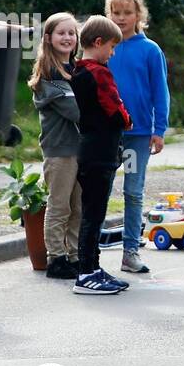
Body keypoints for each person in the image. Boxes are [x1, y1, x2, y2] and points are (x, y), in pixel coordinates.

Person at [105, 0, 170, 276]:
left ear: (138, 15)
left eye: (127, 13)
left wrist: (159, 129)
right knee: (100, 190)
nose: (121, 18)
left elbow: (160, 92)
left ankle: (130, 251)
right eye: (115, 13)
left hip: (138, 133)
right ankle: (88, 250)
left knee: (133, 192)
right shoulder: (104, 46)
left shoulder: (150, 50)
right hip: (107, 132)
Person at [70, 15, 131, 295]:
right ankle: (86, 272)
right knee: (94, 214)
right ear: (98, 43)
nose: (113, 52)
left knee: (92, 212)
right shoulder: (99, 73)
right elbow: (115, 109)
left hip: (89, 150)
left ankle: (92, 267)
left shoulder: (79, 71)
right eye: (111, 46)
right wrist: (128, 119)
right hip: (100, 152)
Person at [30, 12, 83, 280]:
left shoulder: (77, 70)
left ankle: (74, 256)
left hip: (79, 149)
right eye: (61, 33)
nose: (67, 37)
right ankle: (56, 258)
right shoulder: (48, 77)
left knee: (78, 206)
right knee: (60, 206)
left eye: (71, 33)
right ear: (48, 38)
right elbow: (77, 112)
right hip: (59, 151)